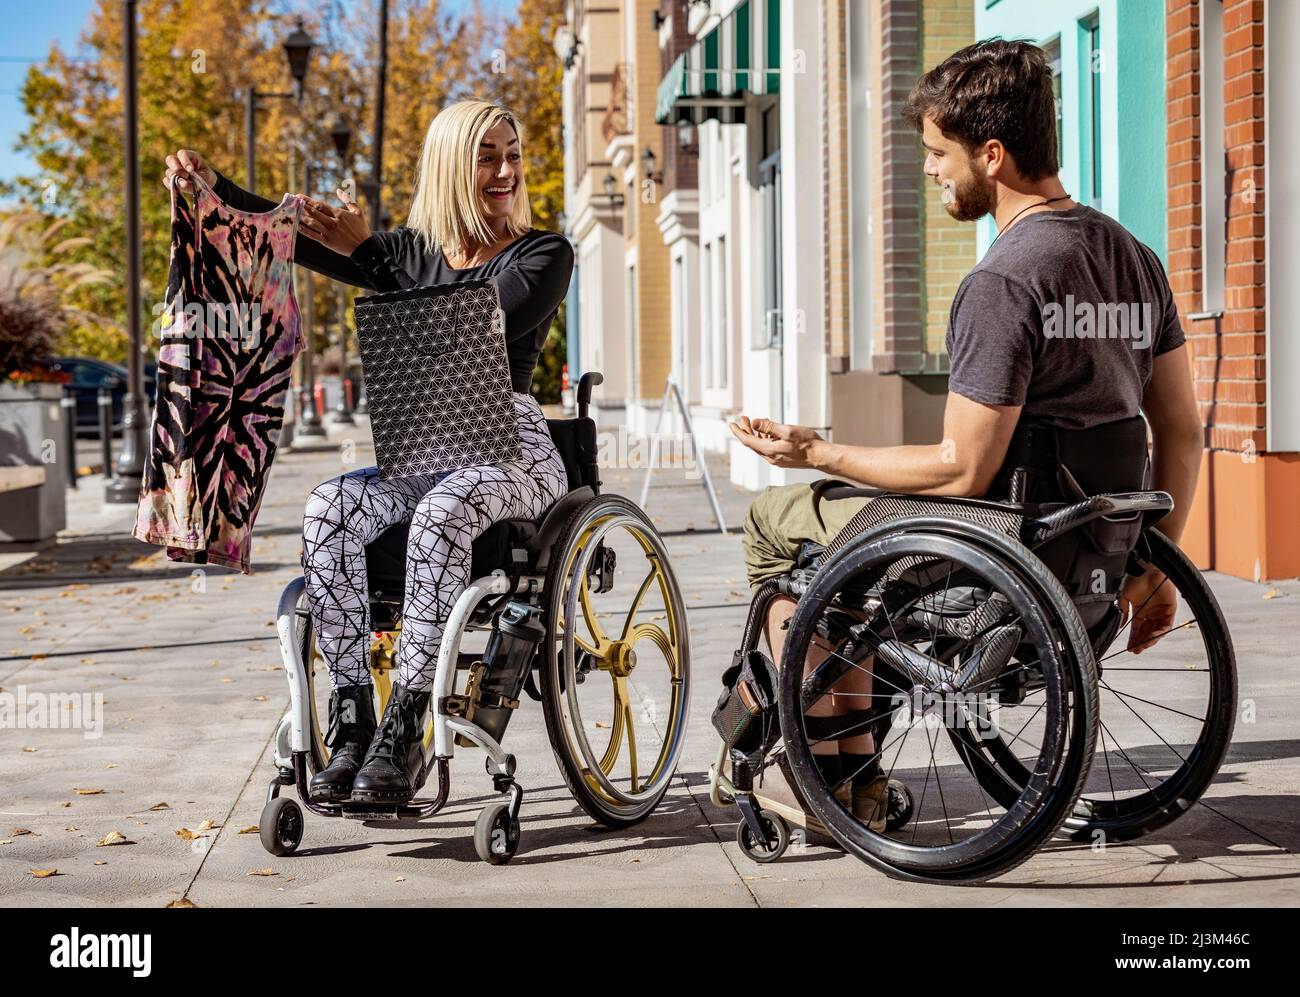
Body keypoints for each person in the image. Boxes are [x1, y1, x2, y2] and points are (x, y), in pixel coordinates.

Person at [729, 39, 1202, 830]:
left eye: (937, 153)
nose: (929, 170)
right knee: (842, 540)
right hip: (1093, 548)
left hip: (1001, 548)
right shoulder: (1136, 260)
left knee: (777, 528)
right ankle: (856, 774)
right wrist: (1156, 569)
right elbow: (1182, 434)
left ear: (992, 154)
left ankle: (821, 766)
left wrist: (818, 451)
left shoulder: (1003, 280)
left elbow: (962, 470)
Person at [164, 99, 574, 805]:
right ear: (451, 165)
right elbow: (288, 236)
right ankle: (352, 724)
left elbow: (470, 329)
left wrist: (369, 258)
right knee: (329, 505)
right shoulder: (410, 252)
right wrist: (216, 188)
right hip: (423, 445)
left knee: (446, 505)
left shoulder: (542, 253)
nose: (505, 170)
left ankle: (403, 726)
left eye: (512, 153)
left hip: (508, 446)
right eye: (486, 155)